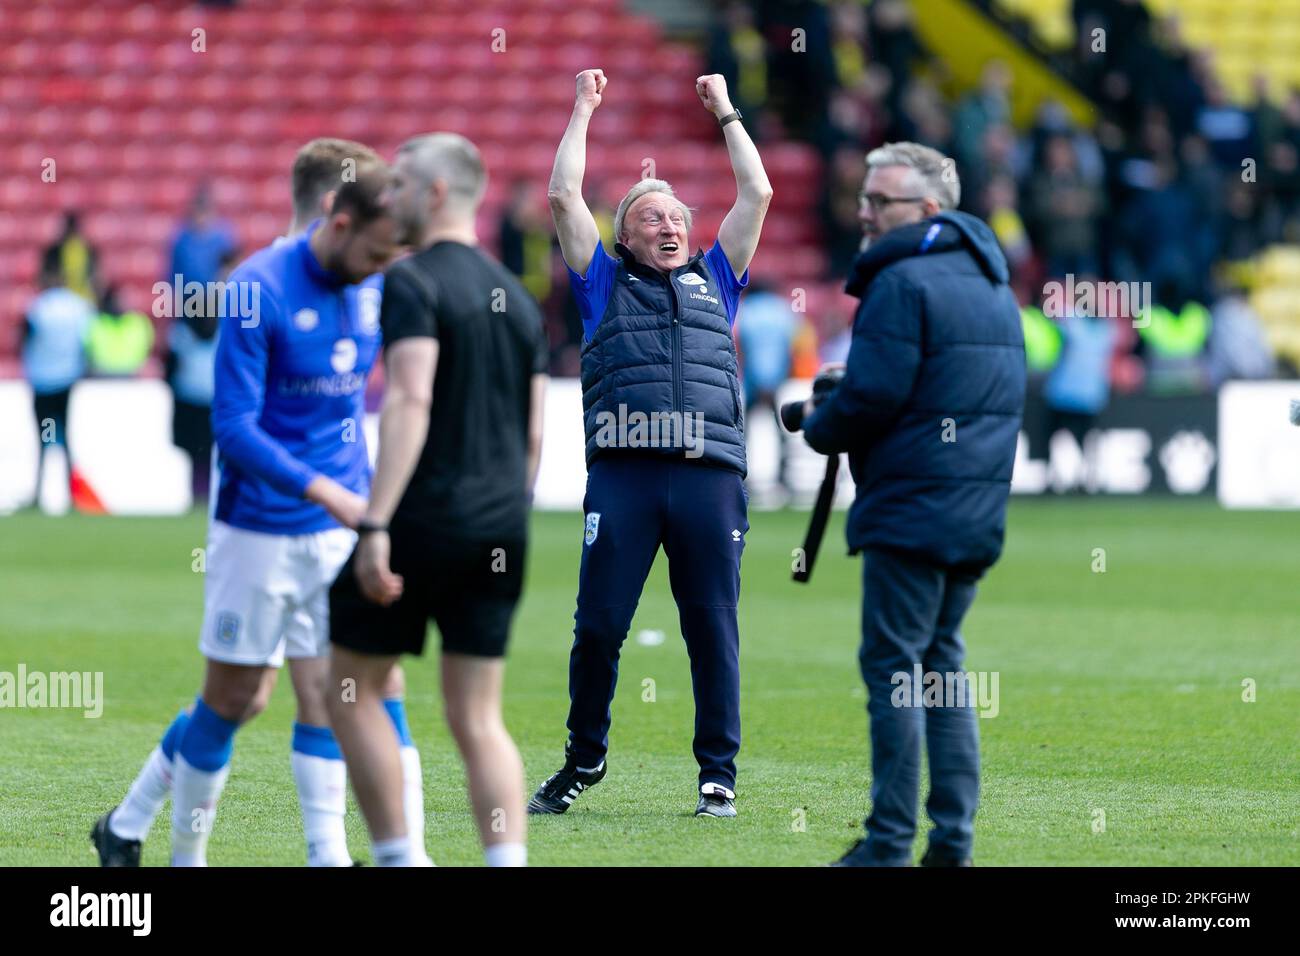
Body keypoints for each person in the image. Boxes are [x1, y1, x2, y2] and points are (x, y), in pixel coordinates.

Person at [92, 155, 405, 867]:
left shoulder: (374, 285)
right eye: (375, 252)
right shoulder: (255, 288)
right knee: (234, 698)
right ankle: (177, 852)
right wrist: (325, 490)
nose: (380, 267)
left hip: (339, 529)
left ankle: (328, 856)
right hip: (258, 528)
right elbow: (232, 428)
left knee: (330, 693)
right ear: (340, 217)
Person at [529, 69, 772, 819]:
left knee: (712, 626)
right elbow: (564, 196)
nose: (668, 227)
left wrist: (726, 111)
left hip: (709, 477)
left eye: (676, 217)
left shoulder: (718, 279)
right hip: (626, 476)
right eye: (650, 217)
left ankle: (717, 775)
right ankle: (585, 756)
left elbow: (757, 195)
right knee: (599, 624)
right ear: (623, 233)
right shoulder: (600, 283)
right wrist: (582, 108)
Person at [790, 142, 1024, 866]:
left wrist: (821, 422)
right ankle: (951, 841)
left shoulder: (903, 281)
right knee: (942, 667)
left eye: (879, 201)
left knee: (894, 672)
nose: (863, 211)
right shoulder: (989, 282)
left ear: (925, 211)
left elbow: (874, 398)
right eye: (863, 197)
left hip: (913, 507)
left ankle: (888, 842)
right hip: (973, 512)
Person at [326, 133, 548, 867]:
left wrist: (376, 522)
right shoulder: (517, 295)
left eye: (400, 186)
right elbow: (535, 434)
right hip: (501, 526)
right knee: (479, 718)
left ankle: (398, 857)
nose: (388, 200)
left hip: (424, 518)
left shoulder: (412, 283)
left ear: (437, 194)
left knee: (346, 684)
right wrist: (508, 511)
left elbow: (409, 399)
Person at [22, 266, 95, 507]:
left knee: (43, 438)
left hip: (43, 380)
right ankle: (70, 493)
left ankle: (39, 492)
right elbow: (88, 341)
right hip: (67, 379)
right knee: (67, 438)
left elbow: (26, 336)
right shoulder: (78, 306)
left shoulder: (39, 306)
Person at [87, 284, 154, 378]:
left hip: (134, 379)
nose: (120, 303)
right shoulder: (96, 322)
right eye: (116, 299)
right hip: (101, 379)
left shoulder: (140, 322)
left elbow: (147, 352)